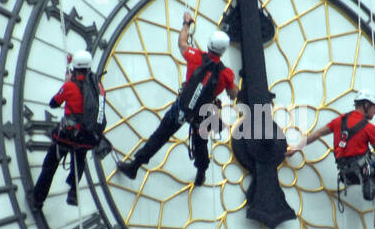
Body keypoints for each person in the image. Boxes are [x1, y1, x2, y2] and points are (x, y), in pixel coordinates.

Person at [118, 12, 236, 187]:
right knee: (201, 144)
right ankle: (201, 173)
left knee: (159, 136)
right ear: (224, 50)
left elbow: (181, 43)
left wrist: (187, 23)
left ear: (209, 44)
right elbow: (233, 94)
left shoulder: (195, 56)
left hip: (182, 109)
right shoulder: (226, 74)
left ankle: (134, 166)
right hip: (202, 116)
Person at [288, 89, 375, 229]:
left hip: (347, 173)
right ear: (366, 105)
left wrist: (296, 148)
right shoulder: (369, 128)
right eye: (374, 108)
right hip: (365, 169)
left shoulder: (340, 121)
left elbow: (317, 134)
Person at [28, 50, 104, 213]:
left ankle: (37, 199)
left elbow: (53, 103)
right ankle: (73, 192)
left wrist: (66, 83)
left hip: (67, 137)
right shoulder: (98, 87)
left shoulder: (69, 86)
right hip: (87, 138)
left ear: (74, 67)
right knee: (79, 161)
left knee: (50, 165)